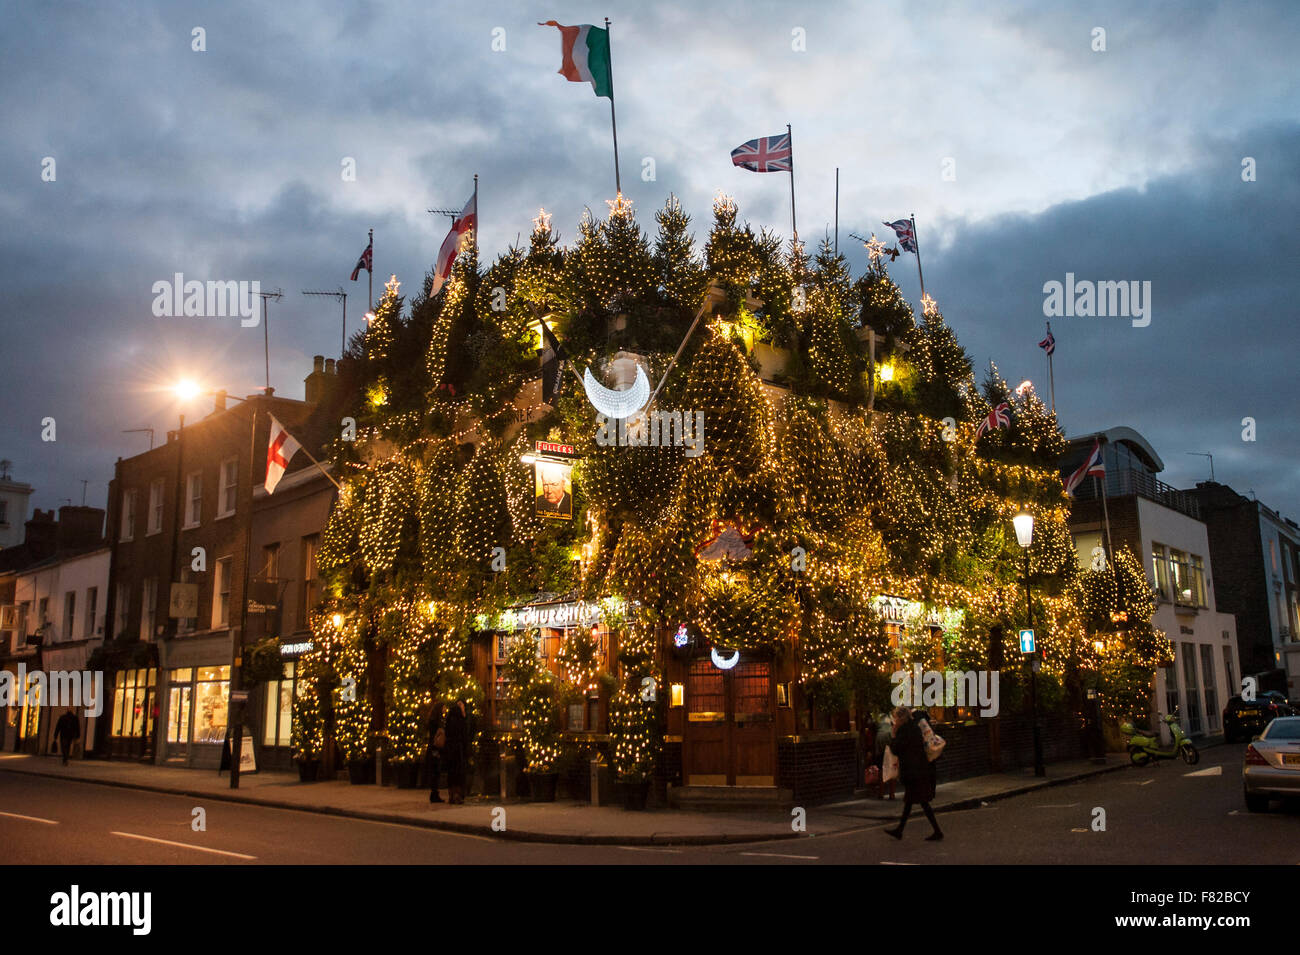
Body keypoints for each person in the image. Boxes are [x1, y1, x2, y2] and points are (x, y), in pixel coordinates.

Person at [883, 705, 943, 841]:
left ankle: (937, 831)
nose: (895, 720)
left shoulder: (903, 730)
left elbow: (896, 749)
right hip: (919, 770)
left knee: (920, 802)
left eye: (896, 717)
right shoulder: (915, 728)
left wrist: (893, 734)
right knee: (913, 802)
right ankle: (900, 830)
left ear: (901, 717)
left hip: (913, 772)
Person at [443, 699, 469, 804]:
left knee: (451, 774)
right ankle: (457, 795)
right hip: (458, 751)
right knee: (458, 773)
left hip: (450, 750)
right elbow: (464, 736)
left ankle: (451, 795)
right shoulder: (460, 721)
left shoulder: (449, 721)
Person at [426, 701, 445, 804]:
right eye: (443, 708)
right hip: (435, 748)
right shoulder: (436, 721)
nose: (444, 710)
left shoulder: (432, 720)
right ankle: (434, 794)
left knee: (435, 771)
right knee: (435, 771)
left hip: (433, 747)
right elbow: (435, 735)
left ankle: (434, 793)